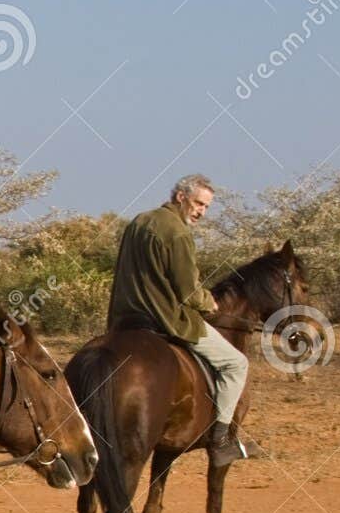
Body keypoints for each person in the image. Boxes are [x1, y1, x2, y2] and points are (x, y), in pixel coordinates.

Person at [107, 174, 254, 466]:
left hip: (124, 319)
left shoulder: (138, 221)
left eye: (207, 207)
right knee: (237, 363)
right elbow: (187, 290)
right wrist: (207, 301)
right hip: (167, 320)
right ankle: (220, 440)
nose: (201, 211)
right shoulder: (178, 233)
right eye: (199, 203)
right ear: (180, 197)